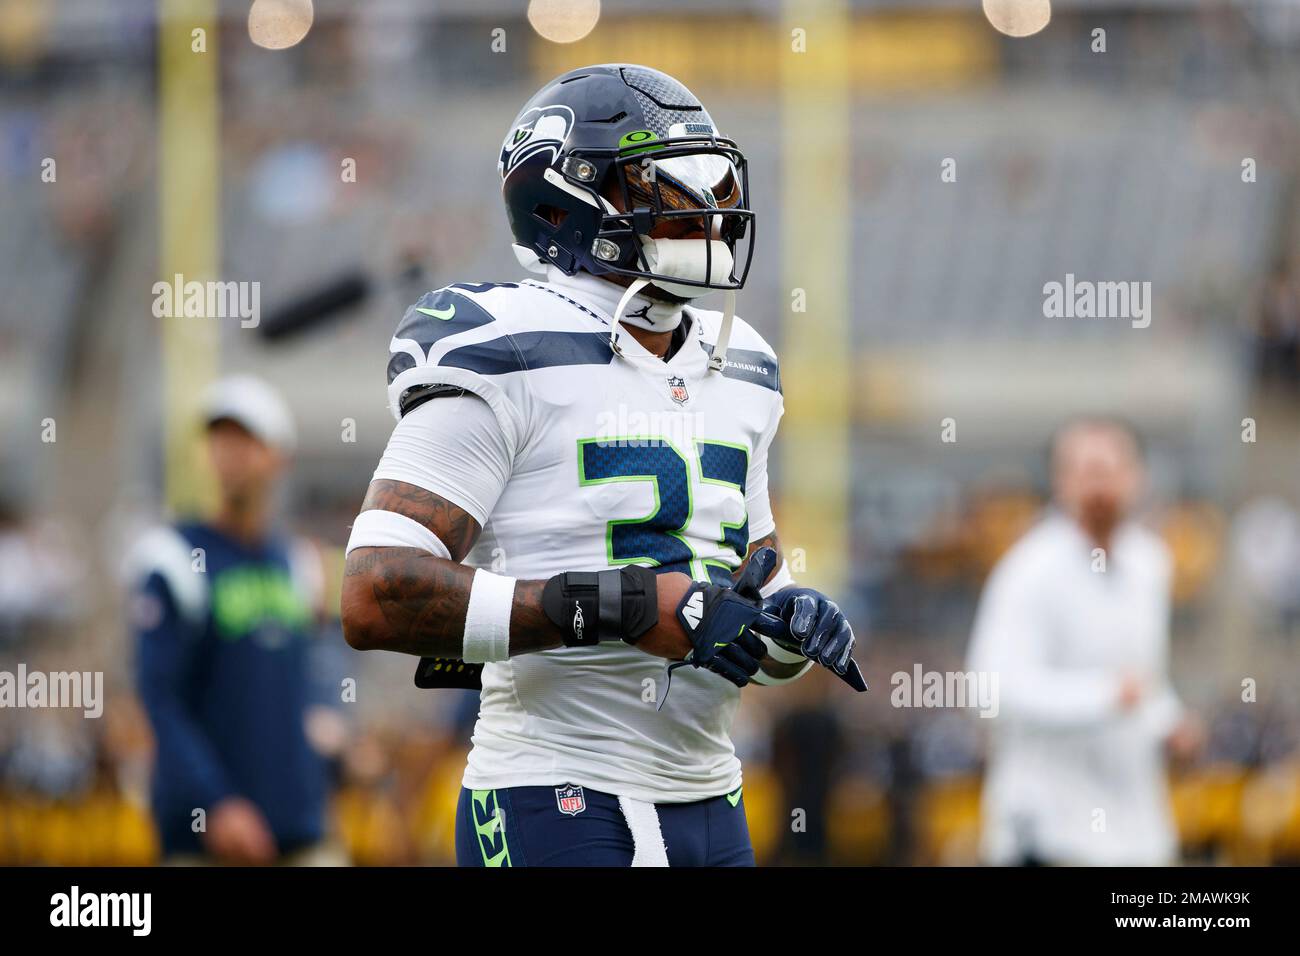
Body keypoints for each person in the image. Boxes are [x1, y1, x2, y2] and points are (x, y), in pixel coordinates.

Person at [341, 64, 861, 867]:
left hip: (713, 798)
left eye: (708, 188)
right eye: (665, 188)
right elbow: (375, 592)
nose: (707, 215)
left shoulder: (742, 361)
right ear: (566, 200)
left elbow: (742, 584)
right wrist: (620, 605)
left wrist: (789, 629)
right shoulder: (507, 343)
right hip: (552, 792)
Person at [966, 416, 1200, 866]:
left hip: (1135, 833)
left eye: (1110, 469)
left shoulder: (1150, 564)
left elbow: (1145, 678)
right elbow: (989, 691)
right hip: (1049, 829)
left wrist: (1169, 723)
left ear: (1138, 477)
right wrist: (1104, 696)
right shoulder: (1028, 571)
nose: (1100, 485)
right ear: (1060, 481)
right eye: (1085, 471)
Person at [132, 375, 334, 865]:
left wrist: (336, 721)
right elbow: (161, 700)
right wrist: (215, 802)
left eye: (246, 441)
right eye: (220, 440)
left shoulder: (299, 564)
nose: (231, 455)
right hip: (204, 838)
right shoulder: (173, 558)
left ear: (278, 456)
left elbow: (315, 677)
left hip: (296, 826)